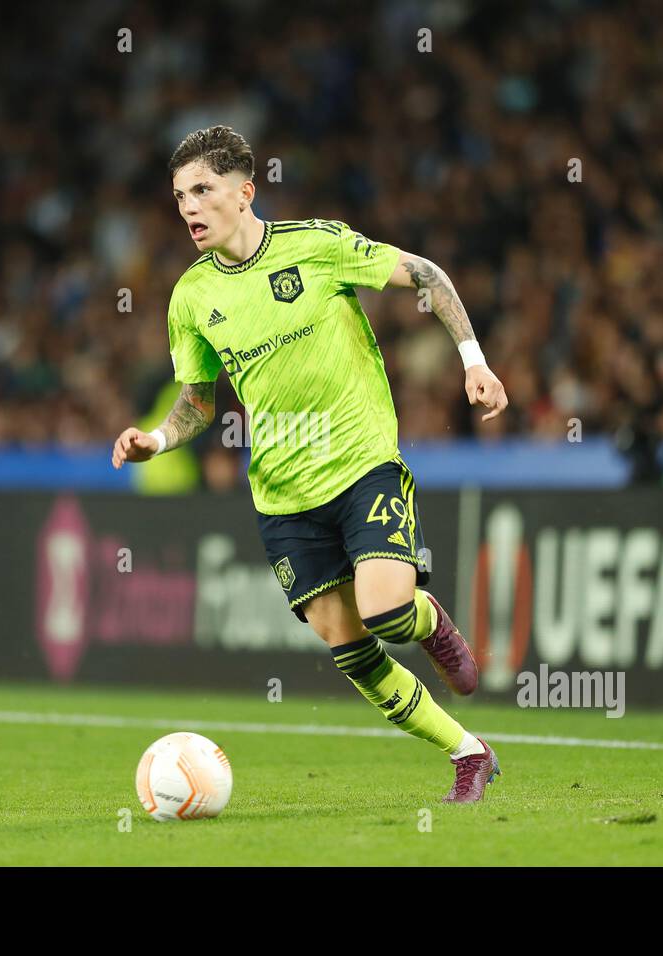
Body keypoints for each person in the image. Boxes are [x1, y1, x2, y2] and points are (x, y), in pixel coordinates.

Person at [112, 126, 509, 802]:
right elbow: (197, 406)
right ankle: (468, 753)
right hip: (280, 496)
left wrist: (475, 363)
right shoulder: (189, 298)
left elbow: (427, 275)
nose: (189, 208)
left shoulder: (317, 246)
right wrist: (157, 439)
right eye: (180, 196)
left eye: (203, 190)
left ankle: (430, 622)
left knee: (386, 612)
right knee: (349, 647)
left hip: (360, 463)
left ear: (246, 191)